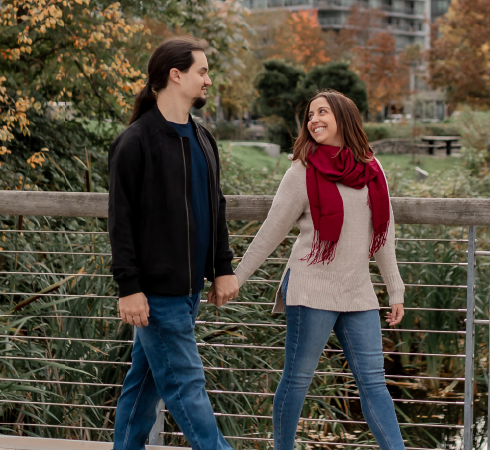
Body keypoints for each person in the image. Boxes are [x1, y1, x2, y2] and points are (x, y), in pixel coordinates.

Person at [230, 90, 407, 450]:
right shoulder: (302, 169)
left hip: (357, 290)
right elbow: (273, 229)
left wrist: (395, 289)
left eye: (322, 112)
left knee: (374, 384)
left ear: (343, 117)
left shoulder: (372, 168)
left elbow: (383, 233)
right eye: (310, 115)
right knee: (297, 380)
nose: (314, 120)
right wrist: (237, 276)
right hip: (311, 287)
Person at [107, 36, 239, 450]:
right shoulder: (135, 141)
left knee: (144, 385)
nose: (208, 79)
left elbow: (214, 208)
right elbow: (120, 222)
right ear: (175, 75)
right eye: (201, 71)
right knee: (187, 387)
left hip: (189, 291)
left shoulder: (203, 140)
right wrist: (129, 287)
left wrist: (222, 267)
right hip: (155, 293)